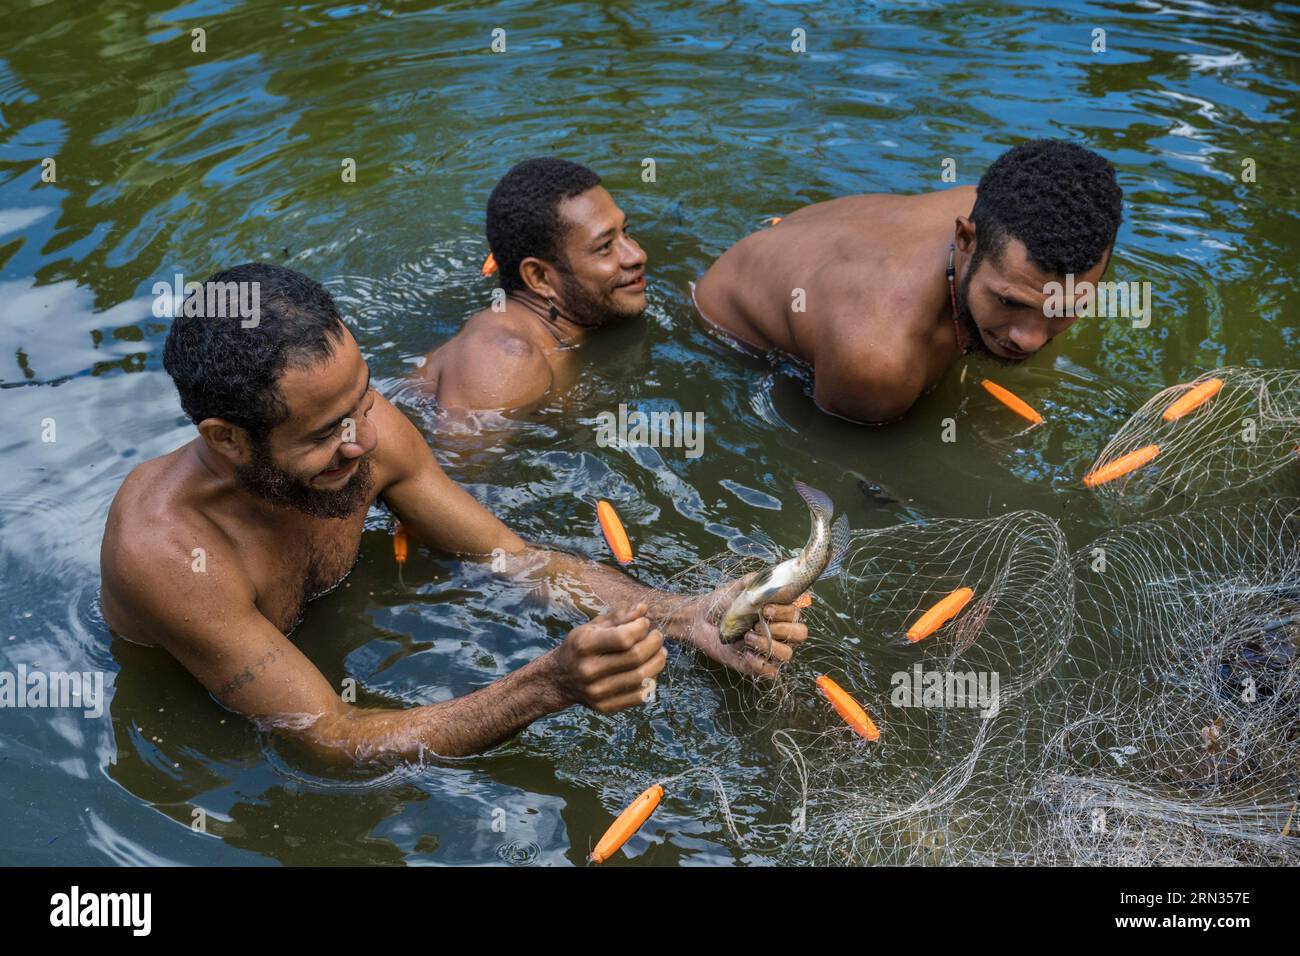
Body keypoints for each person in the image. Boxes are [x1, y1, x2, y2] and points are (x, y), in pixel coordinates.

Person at [99, 263, 807, 765]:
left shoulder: (361, 429)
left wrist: (687, 615)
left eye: (364, 399)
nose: (367, 441)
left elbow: (514, 560)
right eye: (324, 436)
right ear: (226, 438)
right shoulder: (167, 555)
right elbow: (332, 742)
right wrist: (547, 684)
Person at [692, 139, 1124, 423]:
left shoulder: (1010, 212)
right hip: (725, 330)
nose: (1029, 339)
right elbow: (850, 474)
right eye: (1009, 303)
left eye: (1064, 309)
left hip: (815, 250)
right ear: (965, 239)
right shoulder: (877, 363)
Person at [417, 158, 647, 412]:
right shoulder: (505, 358)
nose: (637, 255)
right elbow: (454, 452)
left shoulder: (580, 322)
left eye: (625, 231)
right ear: (539, 277)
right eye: (604, 247)